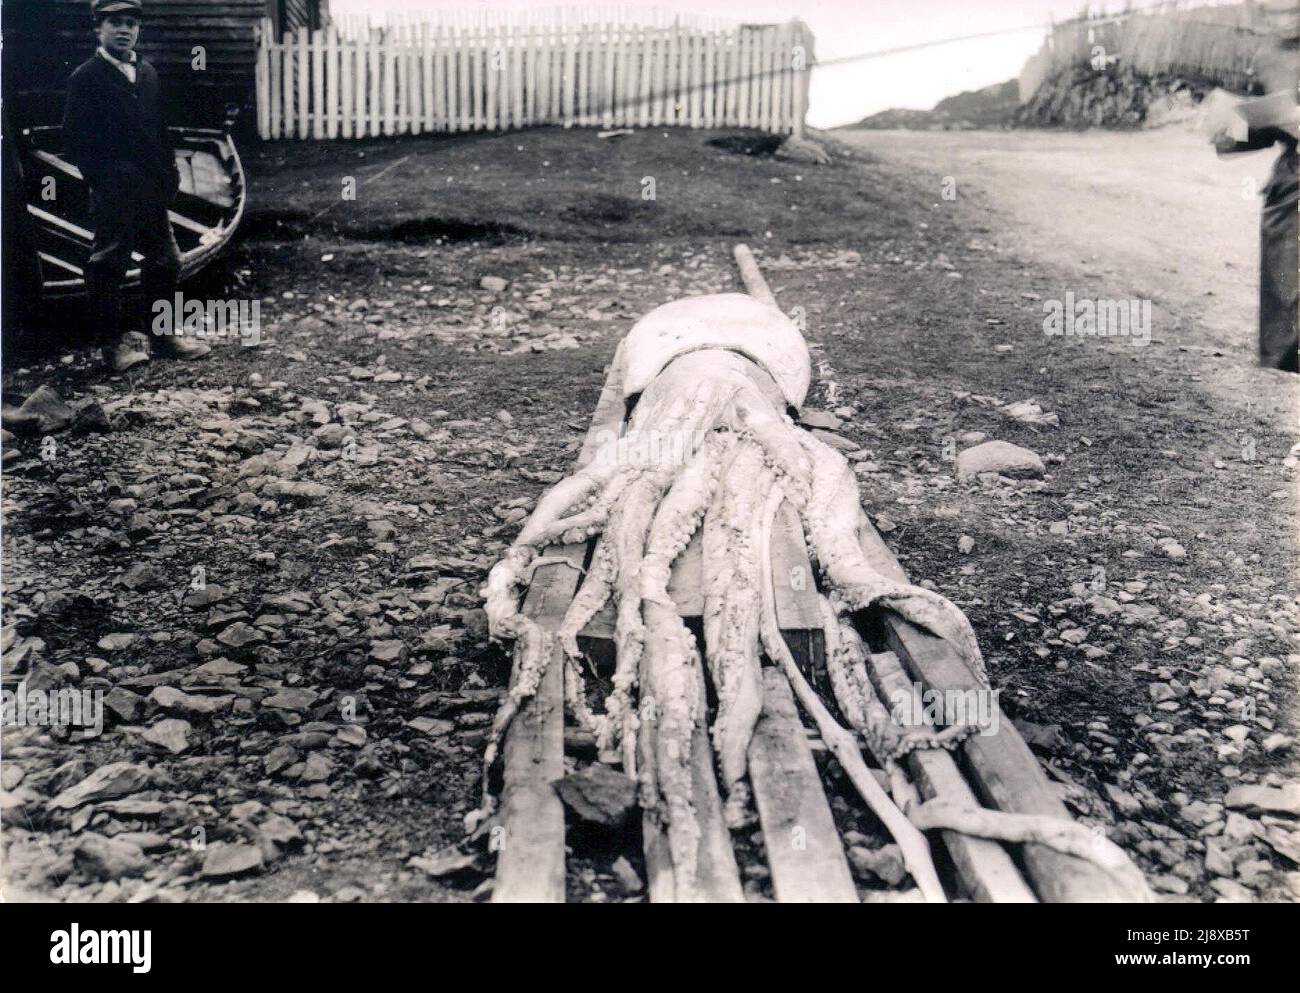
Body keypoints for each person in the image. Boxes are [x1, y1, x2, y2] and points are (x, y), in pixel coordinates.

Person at [61, 0, 209, 371]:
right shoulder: (86, 76)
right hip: (114, 191)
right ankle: (112, 347)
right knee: (109, 262)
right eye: (115, 23)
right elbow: (75, 139)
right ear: (99, 29)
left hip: (150, 189)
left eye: (130, 23)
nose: (124, 30)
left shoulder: (146, 72)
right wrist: (104, 180)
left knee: (165, 260)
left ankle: (162, 337)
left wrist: (169, 173)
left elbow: (159, 128)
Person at [1209, 11, 1298, 373]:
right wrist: (1232, 125)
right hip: (1294, 186)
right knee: (1289, 308)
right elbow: (1244, 132)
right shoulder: (1273, 56)